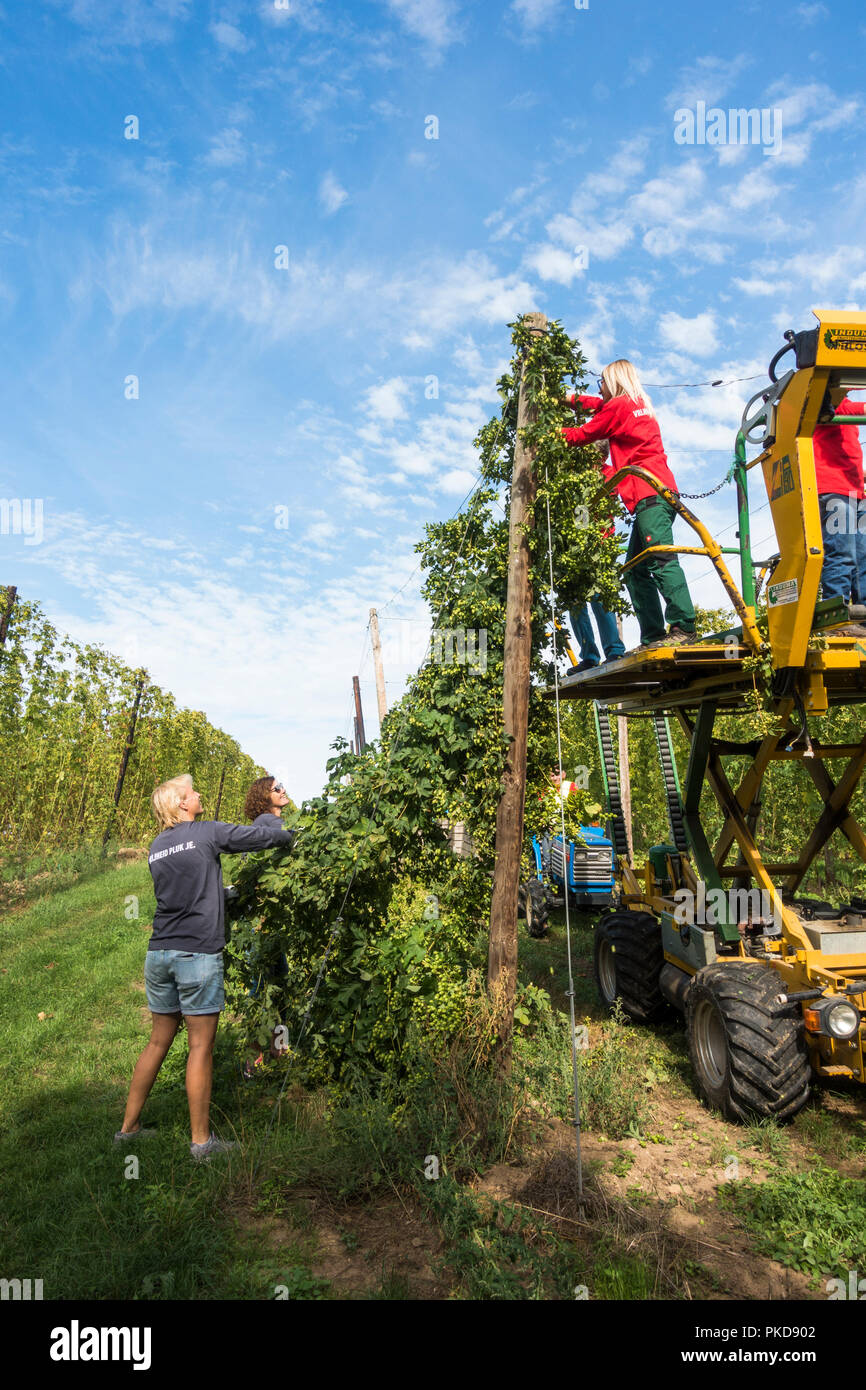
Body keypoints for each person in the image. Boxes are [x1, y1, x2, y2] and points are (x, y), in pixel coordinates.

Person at [115, 773, 294, 1162]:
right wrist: (289, 834)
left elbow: (190, 891)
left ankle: (127, 1130)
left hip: (159, 952)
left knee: (158, 1042)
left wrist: (226, 894)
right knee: (201, 1046)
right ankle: (201, 1143)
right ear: (182, 804)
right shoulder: (207, 832)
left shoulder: (155, 847)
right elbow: (260, 838)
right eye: (193, 793)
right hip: (197, 954)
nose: (198, 796)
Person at [562, 360, 697, 650]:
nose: (599, 386)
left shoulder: (620, 407)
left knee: (661, 559)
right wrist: (567, 399)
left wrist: (548, 437)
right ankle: (653, 635)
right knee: (635, 569)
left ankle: (684, 626)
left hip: (650, 493)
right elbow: (597, 405)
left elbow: (583, 434)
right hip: (654, 493)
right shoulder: (634, 403)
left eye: (602, 381)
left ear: (613, 381)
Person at [241, 775, 293, 1076]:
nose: (283, 790)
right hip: (263, 921)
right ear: (265, 797)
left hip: (266, 919)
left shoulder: (262, 826)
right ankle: (253, 1057)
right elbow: (297, 836)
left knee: (275, 984)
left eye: (283, 785)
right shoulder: (267, 823)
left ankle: (277, 1047)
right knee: (264, 989)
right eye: (277, 789)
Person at [813, 392, 866, 635]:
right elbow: (853, 409)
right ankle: (837, 621)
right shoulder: (820, 395)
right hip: (833, 488)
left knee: (863, 559)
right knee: (843, 554)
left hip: (855, 490)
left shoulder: (842, 400)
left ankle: (861, 618)